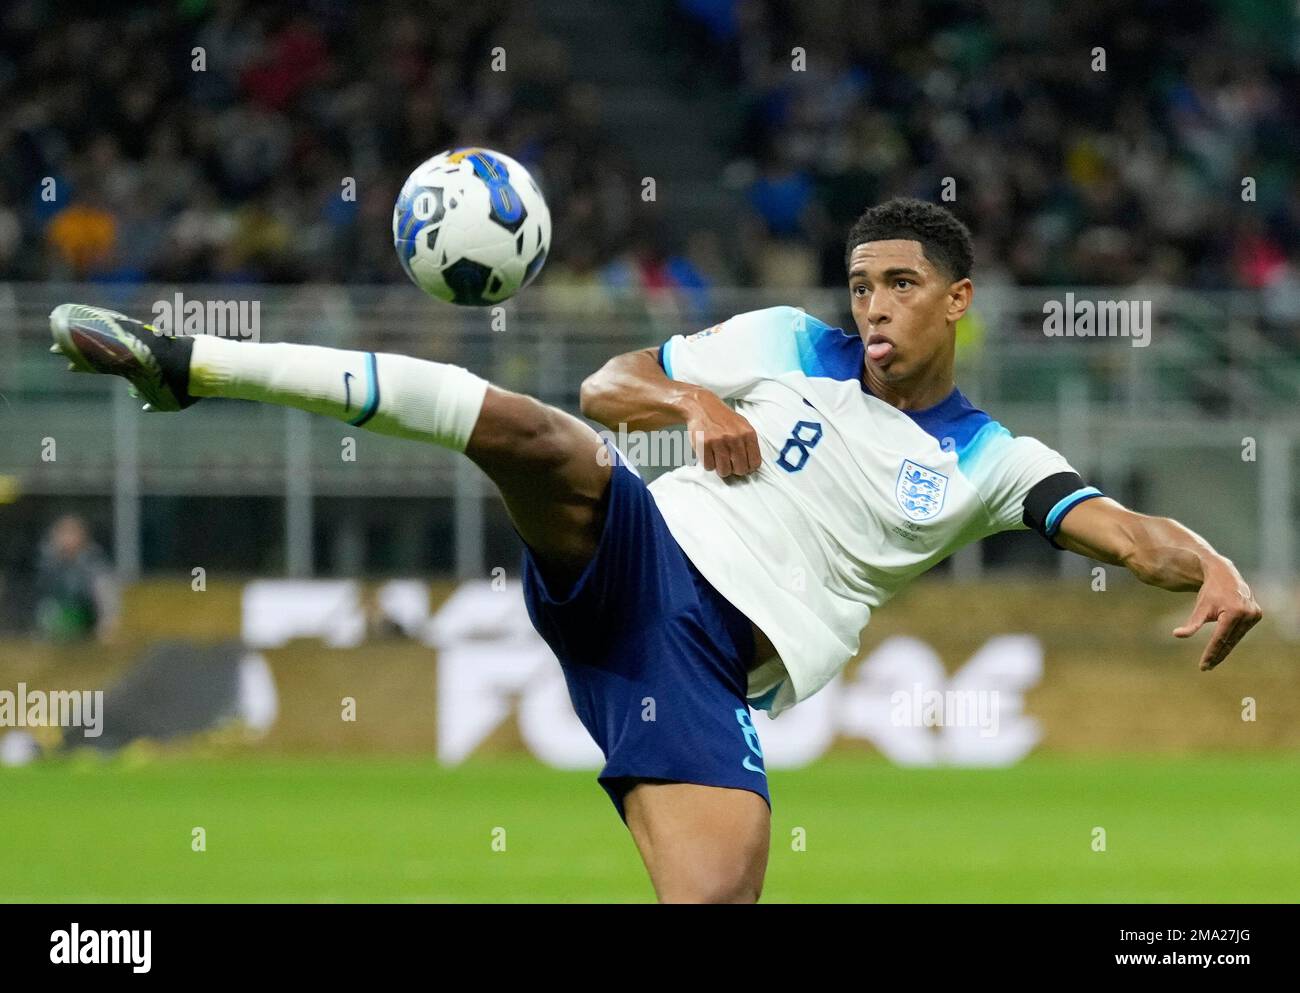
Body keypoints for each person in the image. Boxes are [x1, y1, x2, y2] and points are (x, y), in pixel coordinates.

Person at [48, 197, 1262, 903]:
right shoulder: (786, 340)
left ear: (956, 301)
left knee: (715, 894)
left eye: (899, 284)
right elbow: (608, 379)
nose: (871, 305)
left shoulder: (990, 457)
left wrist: (1206, 561)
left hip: (698, 664)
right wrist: (692, 406)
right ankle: (192, 364)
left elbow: (1125, 531)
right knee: (534, 433)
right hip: (642, 550)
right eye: (859, 283)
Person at [34, 515, 119, 643]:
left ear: (83, 536)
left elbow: (107, 598)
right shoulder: (46, 563)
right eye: (63, 533)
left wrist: (107, 626)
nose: (67, 539)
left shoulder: (94, 564)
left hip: (86, 625)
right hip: (51, 624)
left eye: (72, 533)